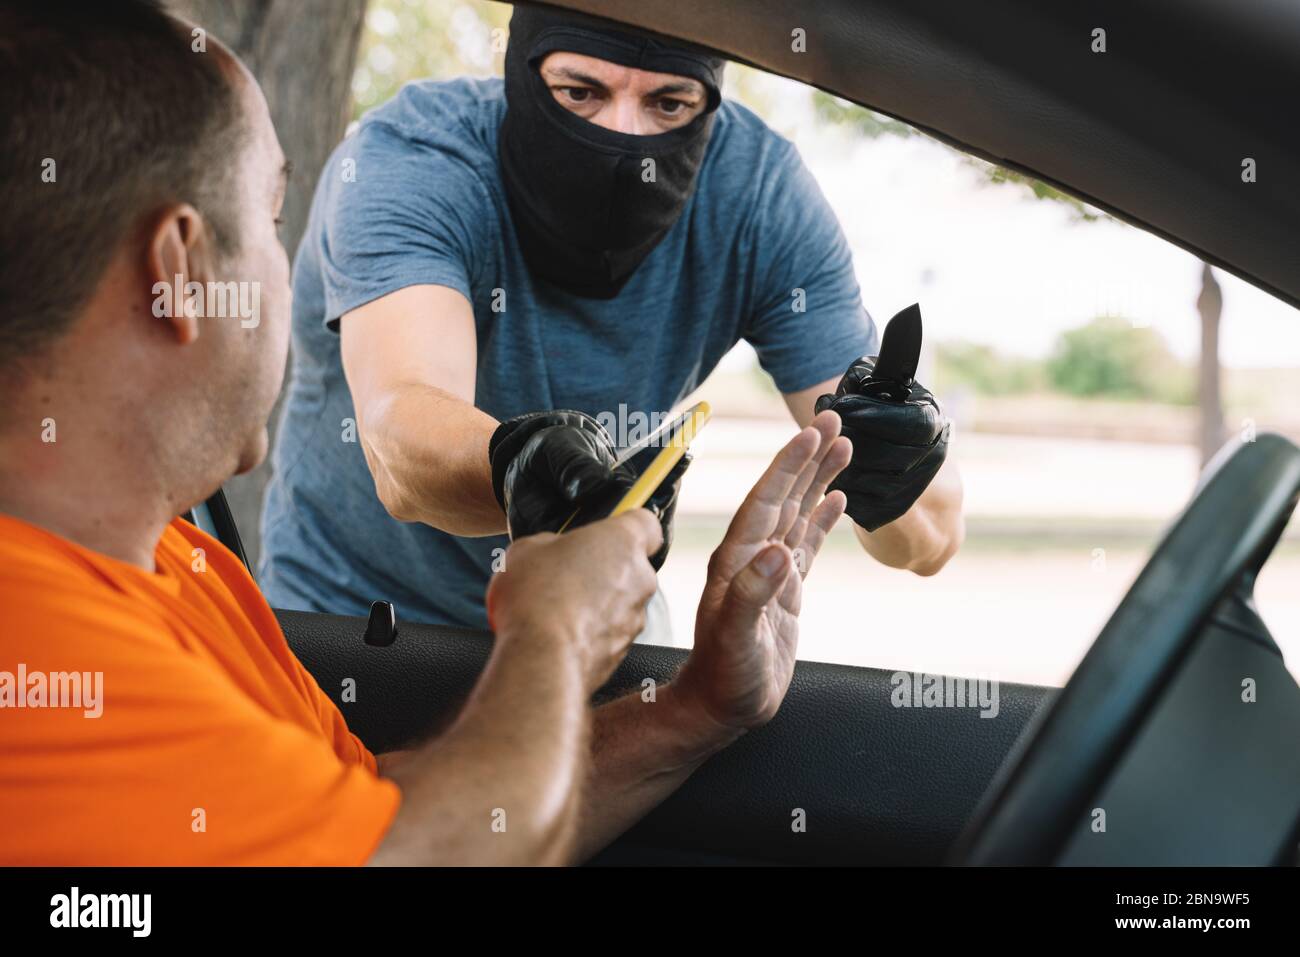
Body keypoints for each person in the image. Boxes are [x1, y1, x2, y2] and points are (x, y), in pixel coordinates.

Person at [0, 0, 851, 865]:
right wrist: (550, 637)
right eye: (273, 218)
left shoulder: (182, 571)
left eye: (667, 103)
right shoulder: (36, 641)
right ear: (178, 273)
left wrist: (698, 705)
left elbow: (376, 815)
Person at [259, 4, 964, 631]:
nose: (625, 137)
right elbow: (399, 442)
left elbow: (933, 537)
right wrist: (526, 471)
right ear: (521, 71)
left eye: (669, 104)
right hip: (350, 619)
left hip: (585, 617)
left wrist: (894, 466)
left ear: (709, 102)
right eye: (580, 91)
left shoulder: (758, 198)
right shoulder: (416, 160)